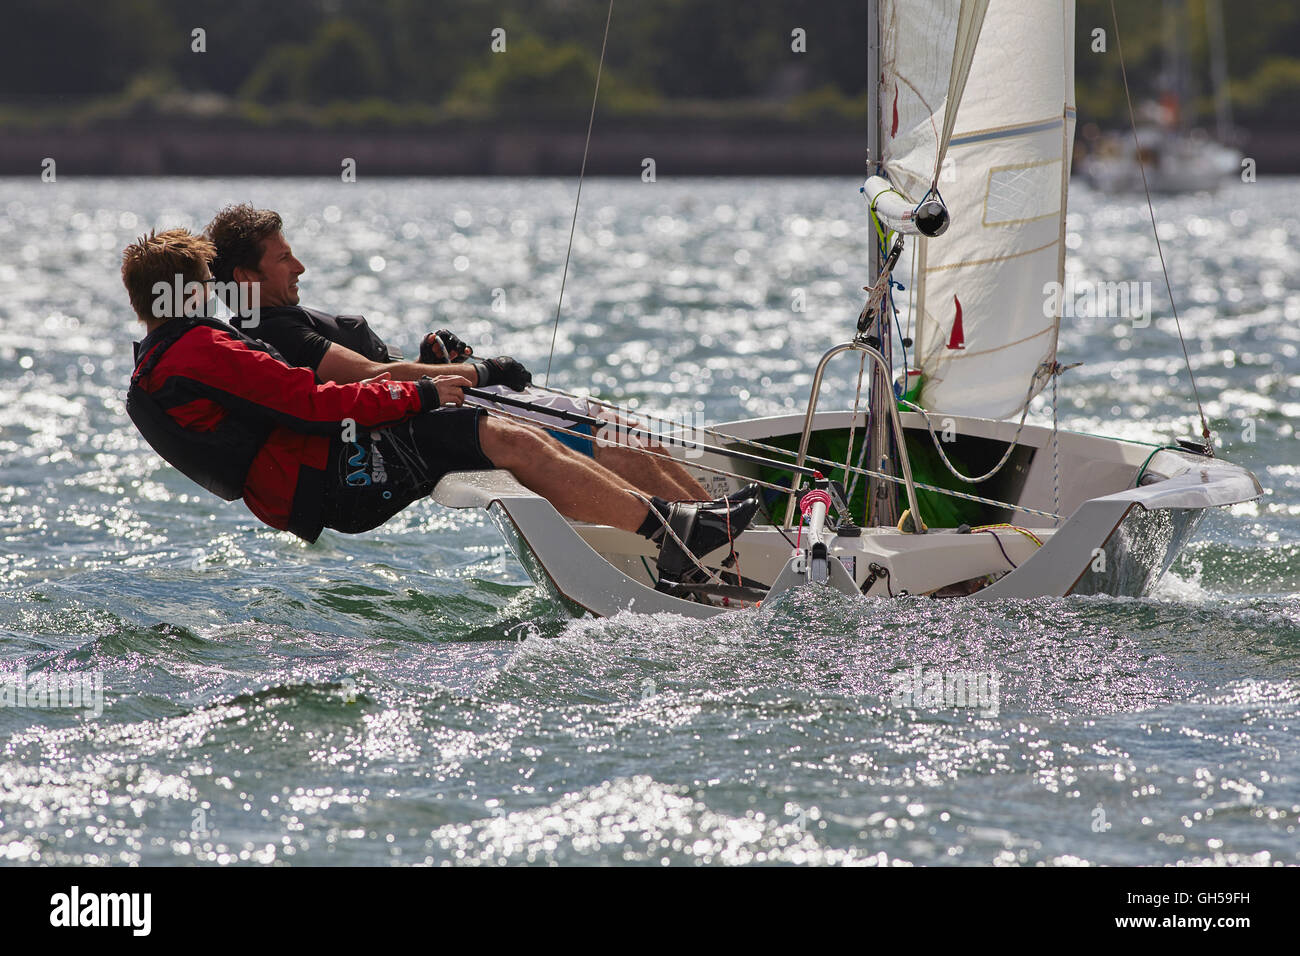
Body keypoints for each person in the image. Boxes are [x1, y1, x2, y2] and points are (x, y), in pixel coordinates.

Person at [120, 228, 756, 589]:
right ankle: (672, 538)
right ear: (190, 289)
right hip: (331, 476)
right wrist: (419, 391)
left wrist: (421, 384)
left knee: (496, 432)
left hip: (319, 479)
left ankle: (674, 526)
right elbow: (310, 403)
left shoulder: (156, 359)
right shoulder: (199, 349)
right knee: (505, 437)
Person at [202, 203, 710, 502]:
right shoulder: (273, 330)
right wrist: (481, 368)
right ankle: (721, 538)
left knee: (623, 433)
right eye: (284, 256)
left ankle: (716, 522)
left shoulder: (272, 320)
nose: (300, 266)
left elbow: (389, 365)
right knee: (615, 439)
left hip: (446, 396)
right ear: (247, 277)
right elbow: (375, 375)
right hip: (451, 410)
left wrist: (438, 361)